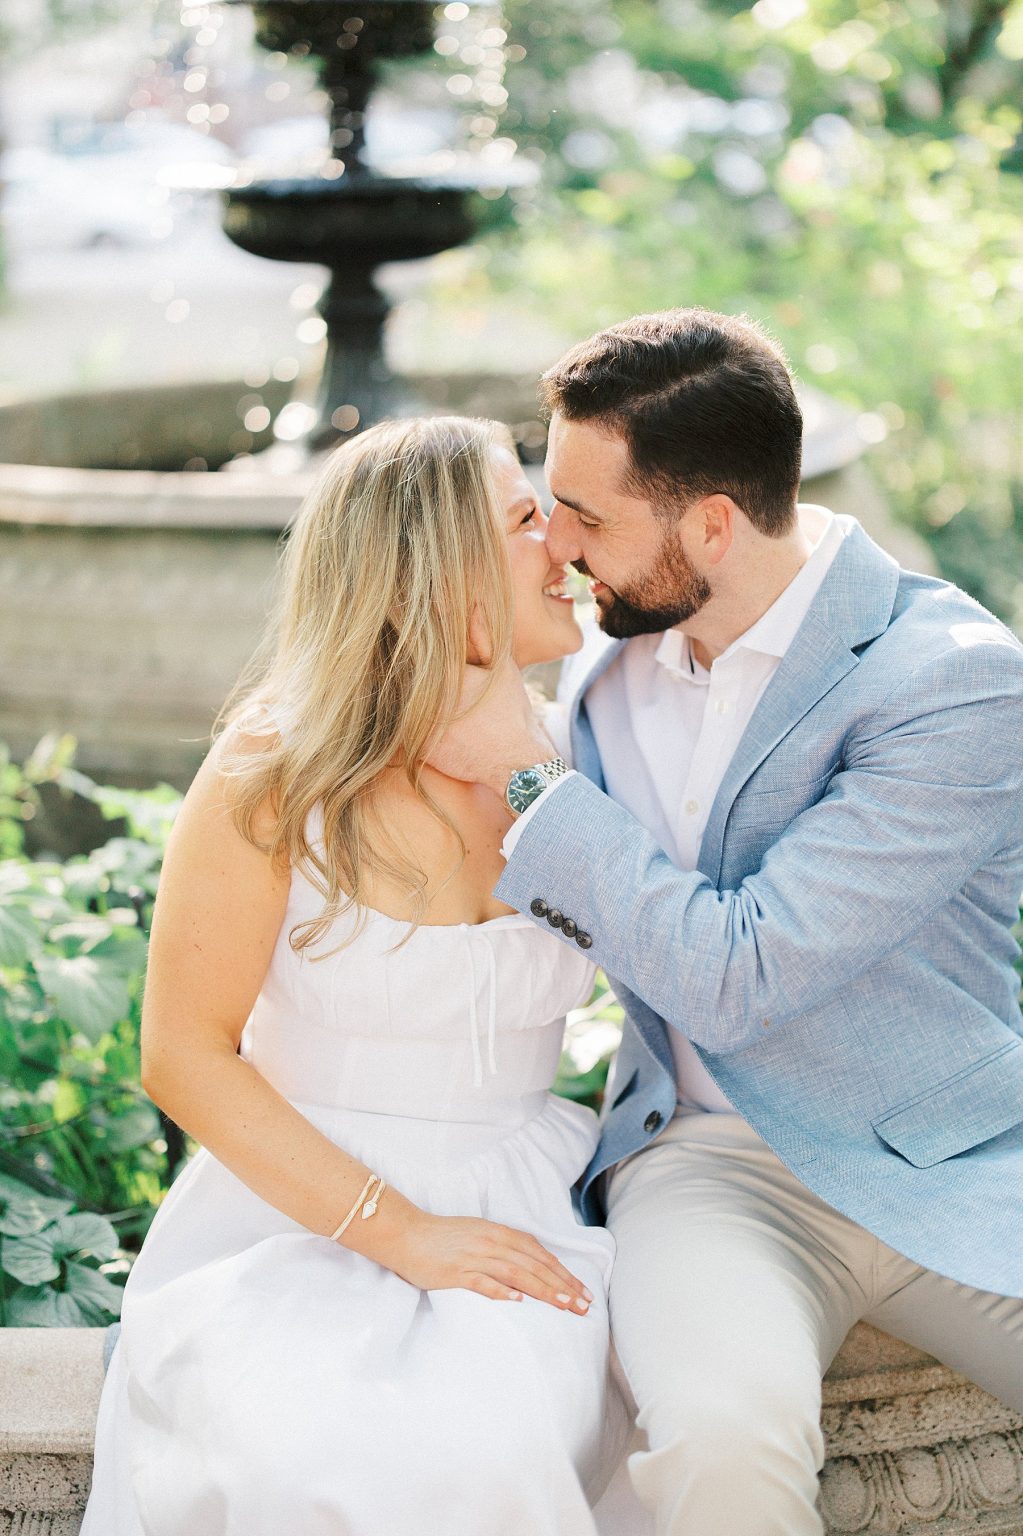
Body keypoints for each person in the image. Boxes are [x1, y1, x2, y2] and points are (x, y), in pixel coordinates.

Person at [427, 309, 1023, 1536]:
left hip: (956, 1151)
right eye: (548, 504)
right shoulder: (600, 663)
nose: (557, 543)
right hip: (710, 1162)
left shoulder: (952, 680)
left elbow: (741, 972)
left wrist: (534, 785)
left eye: (588, 516)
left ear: (711, 522)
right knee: (718, 1443)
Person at [80, 416, 629, 1536]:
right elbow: (182, 1054)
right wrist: (403, 1235)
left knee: (499, 1450)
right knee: (308, 1456)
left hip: (535, 1209)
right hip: (296, 1211)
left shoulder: (586, 749)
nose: (564, 546)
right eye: (526, 519)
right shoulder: (279, 769)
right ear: (433, 572)